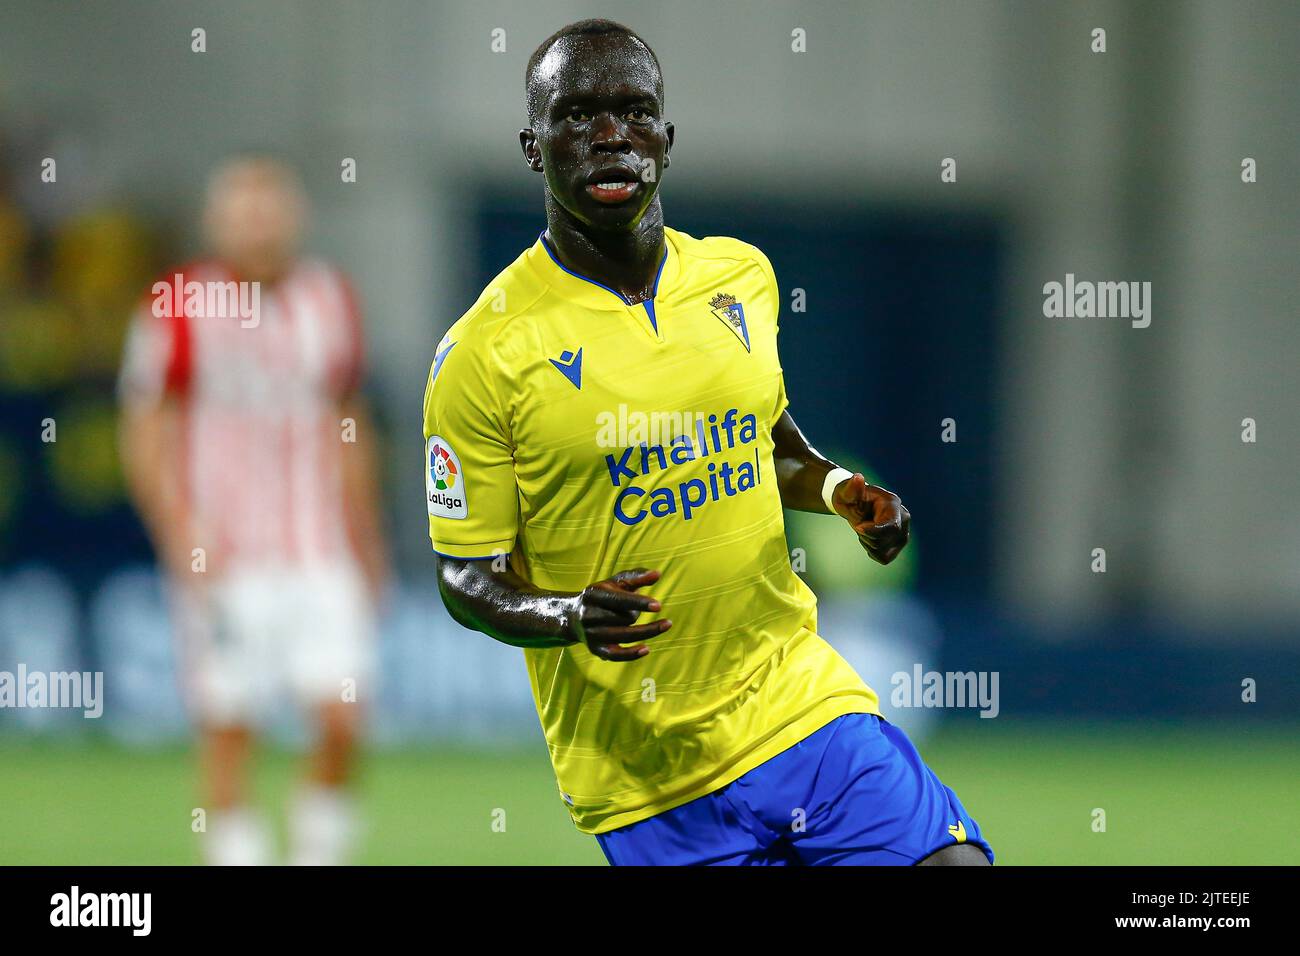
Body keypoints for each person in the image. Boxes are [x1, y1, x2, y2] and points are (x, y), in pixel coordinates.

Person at [423, 20, 991, 865]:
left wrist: (841, 493)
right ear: (533, 147)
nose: (611, 135)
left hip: (797, 698)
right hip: (645, 769)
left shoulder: (739, 278)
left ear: (666, 138)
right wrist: (569, 616)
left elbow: (774, 446)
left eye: (633, 112)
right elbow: (467, 577)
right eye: (577, 116)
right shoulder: (483, 353)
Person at [119, 156, 388, 865]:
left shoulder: (330, 299)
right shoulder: (178, 303)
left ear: (293, 217)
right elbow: (147, 427)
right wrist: (179, 533)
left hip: (317, 548)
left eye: (269, 208)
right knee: (230, 729)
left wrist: (369, 538)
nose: (257, 224)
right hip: (224, 553)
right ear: (217, 221)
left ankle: (314, 857)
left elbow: (348, 421)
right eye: (242, 209)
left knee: (342, 719)